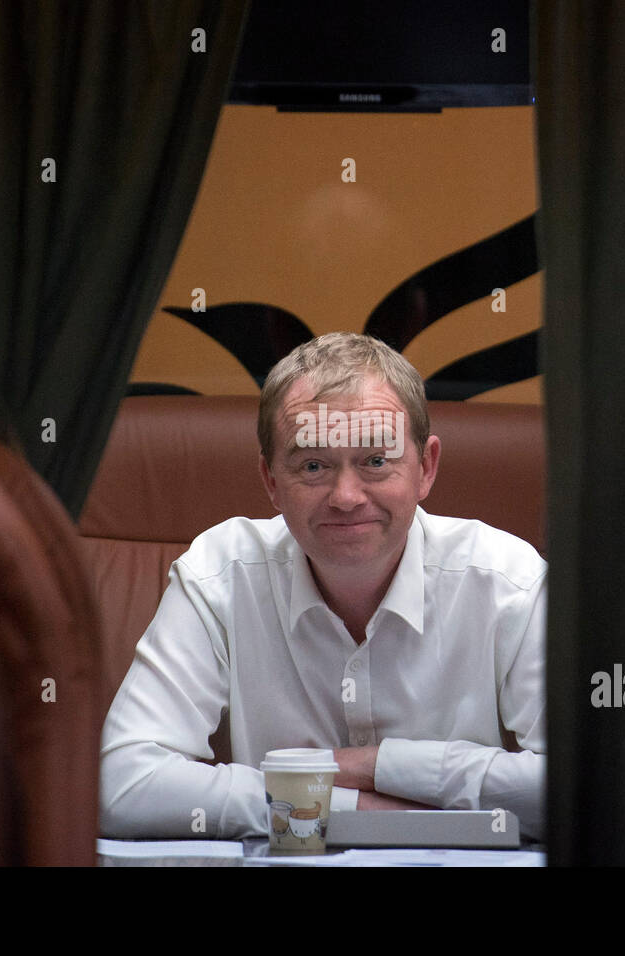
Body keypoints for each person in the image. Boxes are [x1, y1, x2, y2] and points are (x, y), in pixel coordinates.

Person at [99, 332, 546, 840]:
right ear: (270, 480)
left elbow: (586, 789)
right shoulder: (217, 574)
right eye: (313, 465)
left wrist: (378, 765)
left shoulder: (509, 580)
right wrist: (359, 808)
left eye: (376, 462)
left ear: (425, 468)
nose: (346, 497)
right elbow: (123, 784)